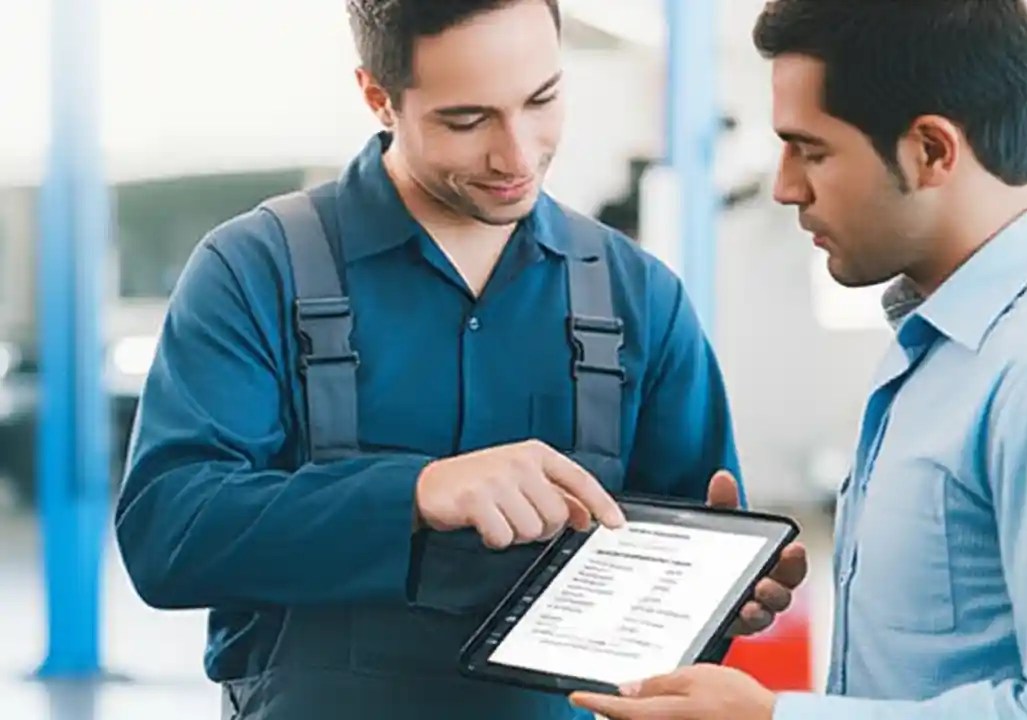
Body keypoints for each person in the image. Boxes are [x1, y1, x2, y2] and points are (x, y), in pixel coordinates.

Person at [113, 1, 806, 719]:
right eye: (467, 120)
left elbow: (682, 604)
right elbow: (169, 535)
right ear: (378, 97)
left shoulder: (641, 298)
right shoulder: (256, 270)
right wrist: (414, 494)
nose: (516, 155)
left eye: (542, 100)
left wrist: (722, 597)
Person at [570, 1, 1027, 719]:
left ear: (932, 151)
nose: (787, 187)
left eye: (811, 151)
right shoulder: (947, 345)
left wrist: (771, 719)